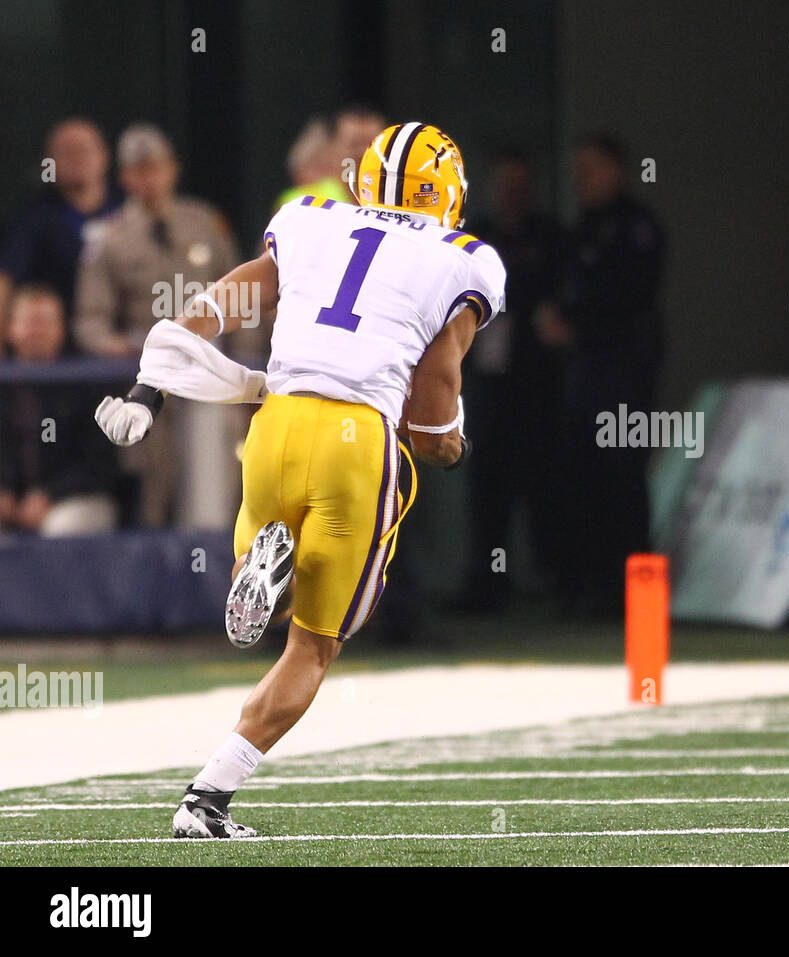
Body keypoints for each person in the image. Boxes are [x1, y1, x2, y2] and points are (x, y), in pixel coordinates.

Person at [93, 121, 507, 837]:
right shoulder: (462, 259)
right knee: (313, 645)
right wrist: (451, 451)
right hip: (355, 442)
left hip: (274, 425)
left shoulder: (310, 219)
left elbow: (224, 300)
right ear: (447, 195)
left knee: (262, 584)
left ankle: (260, 568)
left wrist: (152, 385)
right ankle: (206, 799)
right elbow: (434, 398)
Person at [74, 124, 241, 528]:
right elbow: (89, 318)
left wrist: (245, 365)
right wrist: (112, 345)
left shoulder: (205, 223)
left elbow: (242, 293)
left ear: (173, 170)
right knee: (153, 484)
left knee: (214, 489)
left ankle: (211, 574)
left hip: (209, 376)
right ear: (125, 177)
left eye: (157, 167)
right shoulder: (110, 239)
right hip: (149, 377)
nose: (150, 178)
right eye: (139, 170)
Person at [538, 134, 664, 617]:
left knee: (625, 482)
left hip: (624, 377)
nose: (581, 181)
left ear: (617, 169)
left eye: (591, 170)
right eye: (578, 171)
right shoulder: (580, 229)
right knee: (581, 481)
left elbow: (631, 297)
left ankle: (640, 598)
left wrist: (577, 324)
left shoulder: (638, 228)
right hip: (583, 378)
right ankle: (591, 590)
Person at [451, 150, 564, 612]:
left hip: (536, 382)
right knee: (486, 485)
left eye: (521, 184)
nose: (511, 195)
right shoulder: (479, 236)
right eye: (505, 184)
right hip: (487, 380)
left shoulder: (548, 237)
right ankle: (486, 582)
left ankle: (553, 582)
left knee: (542, 484)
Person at [0, 284, 118, 535]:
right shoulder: (5, 386)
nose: (37, 331)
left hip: (75, 500)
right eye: (30, 322)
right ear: (10, 328)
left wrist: (50, 495)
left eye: (45, 323)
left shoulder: (87, 384)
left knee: (61, 527)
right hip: (10, 503)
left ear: (62, 328)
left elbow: (101, 464)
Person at [0, 118, 123, 350]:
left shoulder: (127, 212)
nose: (76, 158)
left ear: (104, 156)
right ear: (50, 162)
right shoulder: (35, 216)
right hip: (51, 354)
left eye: (83, 150)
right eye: (66, 152)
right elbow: (5, 278)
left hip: (116, 346)